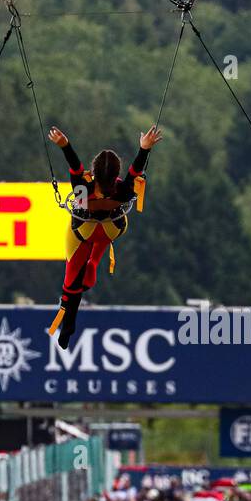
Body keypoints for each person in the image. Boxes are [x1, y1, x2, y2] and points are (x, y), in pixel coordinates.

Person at [45, 124, 162, 348]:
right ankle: (94, 262)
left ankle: (68, 325)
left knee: (71, 279)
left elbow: (75, 167)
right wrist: (144, 148)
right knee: (101, 240)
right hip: (111, 228)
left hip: (84, 229)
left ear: (94, 172)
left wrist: (64, 145)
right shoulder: (124, 189)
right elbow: (135, 172)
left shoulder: (83, 187)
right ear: (116, 174)